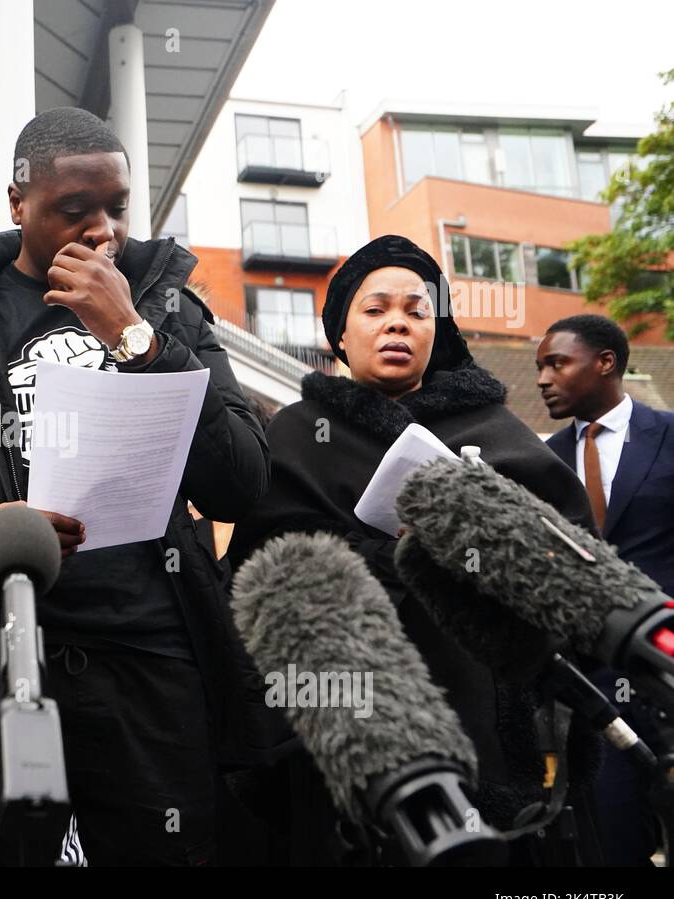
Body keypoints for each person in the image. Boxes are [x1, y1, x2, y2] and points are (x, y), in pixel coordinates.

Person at [0, 107, 277, 865]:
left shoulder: (169, 305)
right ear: (18, 204)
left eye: (116, 208)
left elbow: (242, 481)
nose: (101, 230)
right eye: (72, 210)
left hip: (152, 670)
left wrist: (135, 336)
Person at [231, 234, 603, 865]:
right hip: (343, 712)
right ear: (340, 336)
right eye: (375, 310)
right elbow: (263, 568)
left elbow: (572, 559)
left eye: (416, 310)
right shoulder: (295, 434)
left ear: (437, 331)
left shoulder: (497, 433)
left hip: (482, 706)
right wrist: (390, 555)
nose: (397, 323)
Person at [537, 313, 673, 865]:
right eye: (539, 367)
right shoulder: (542, 461)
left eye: (557, 363)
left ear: (606, 363)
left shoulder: (669, 434)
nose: (544, 378)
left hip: (666, 666)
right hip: (591, 690)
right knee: (613, 842)